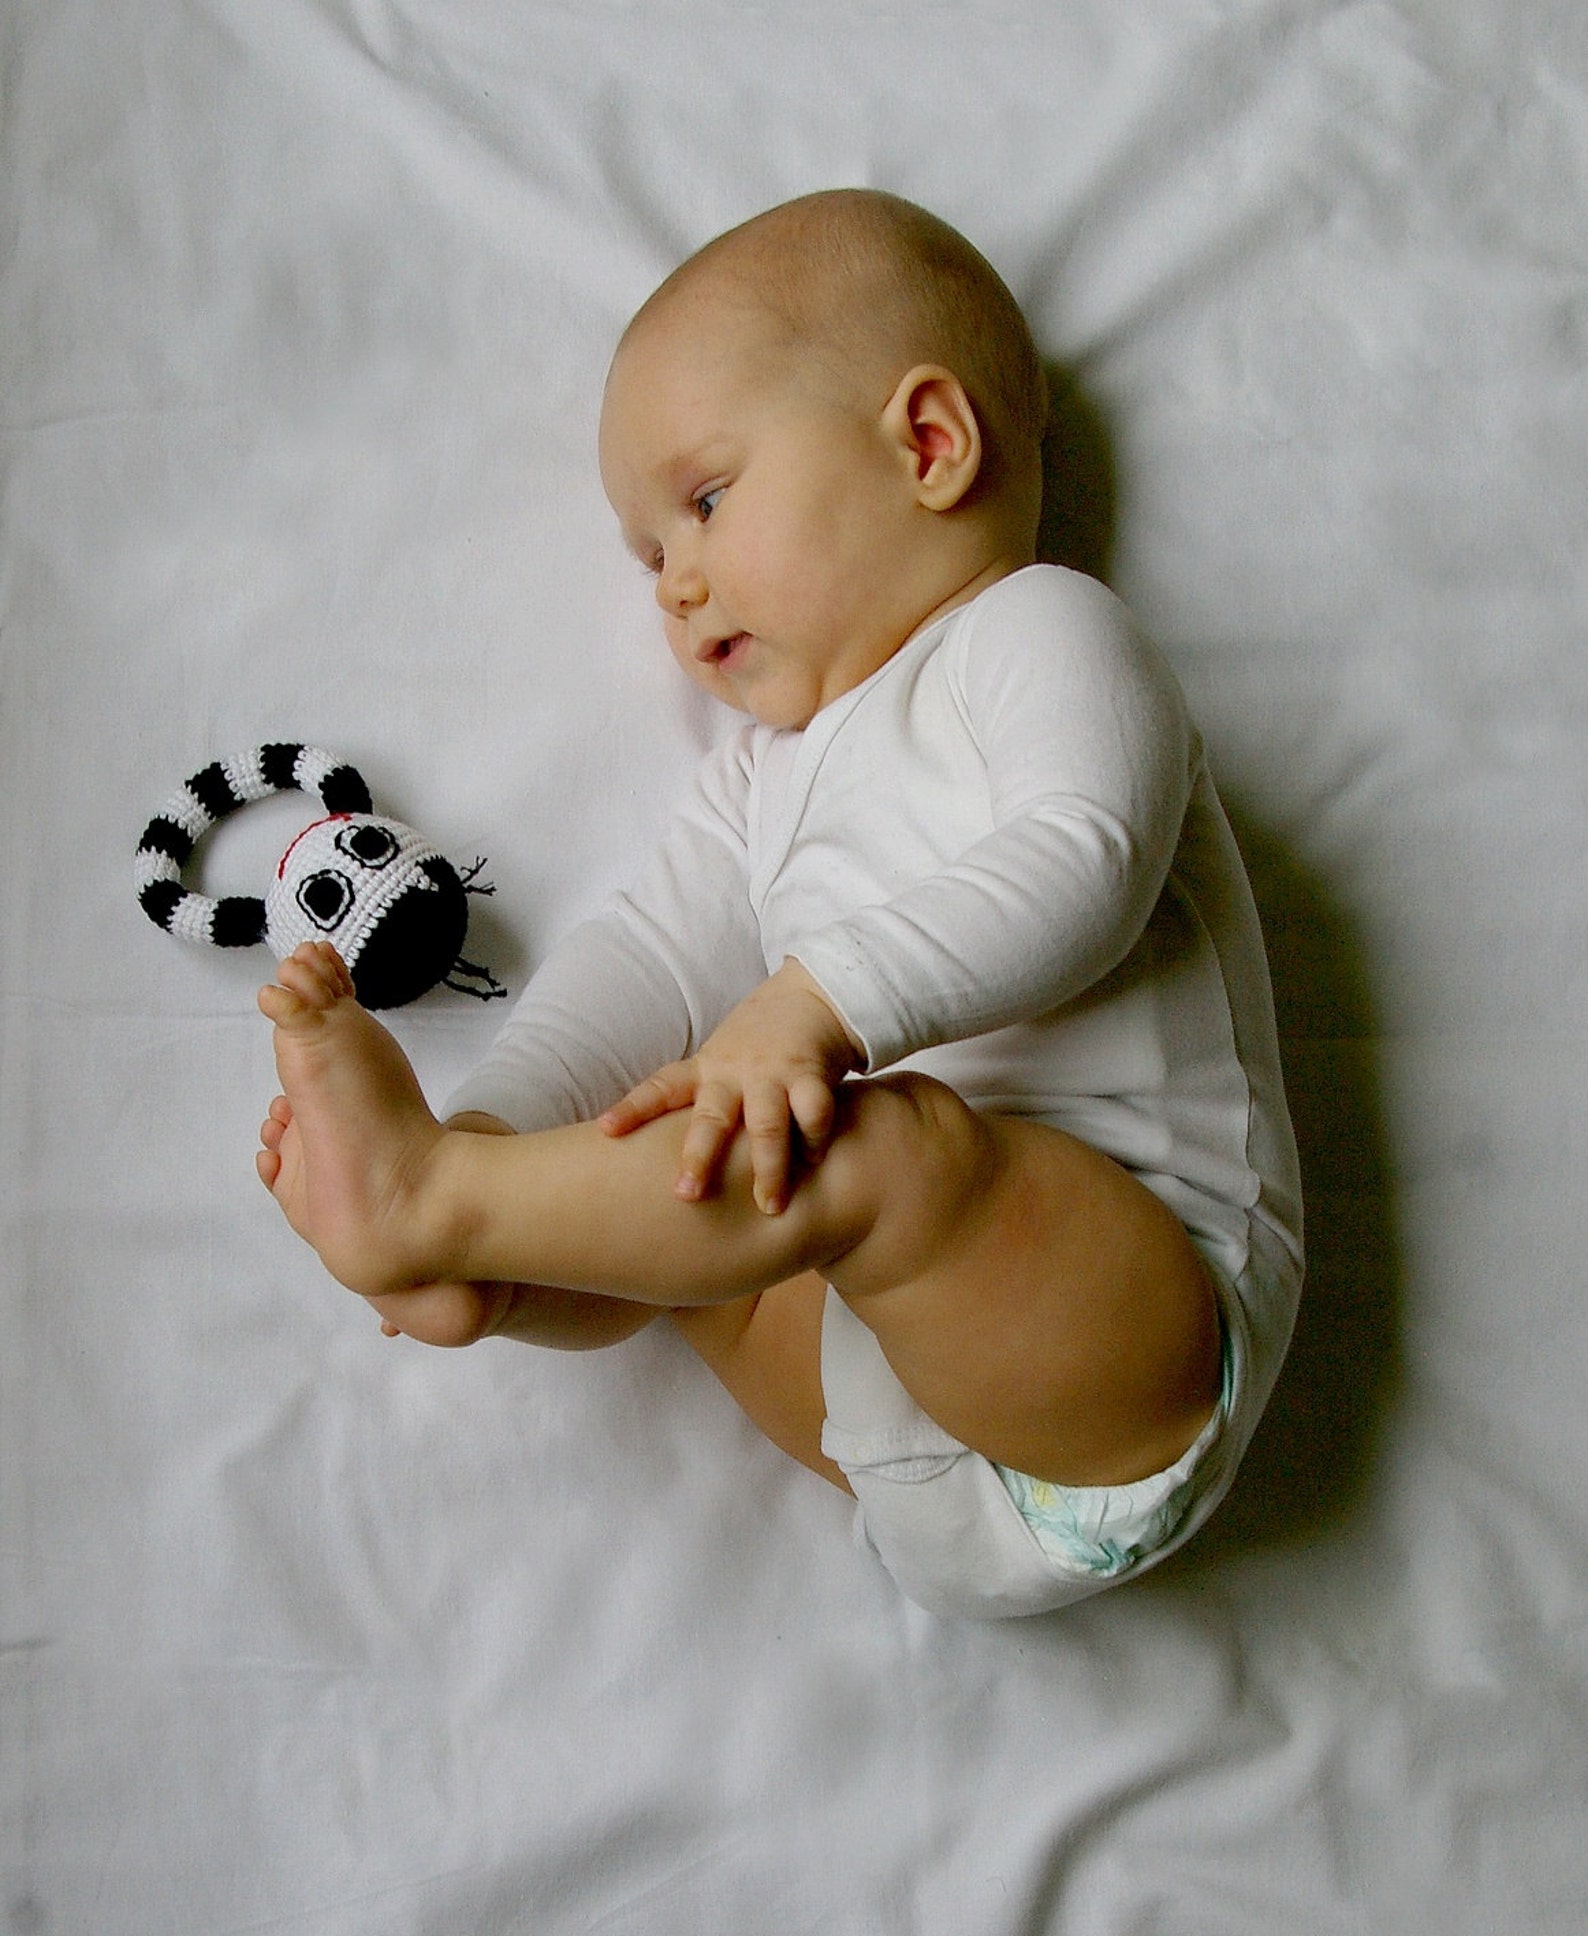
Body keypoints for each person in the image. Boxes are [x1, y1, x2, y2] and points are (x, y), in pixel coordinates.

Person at [255, 189, 1302, 1619]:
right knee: (698, 1186)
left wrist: (818, 1001)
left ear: (927, 445)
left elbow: (1090, 854)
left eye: (704, 500)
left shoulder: (1040, 629)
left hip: (1133, 1338)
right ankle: (472, 1246)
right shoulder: (766, 782)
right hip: (879, 1425)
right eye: (648, 558)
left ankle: (438, 1210)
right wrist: (493, 1118)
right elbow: (643, 962)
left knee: (860, 1144)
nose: (675, 586)